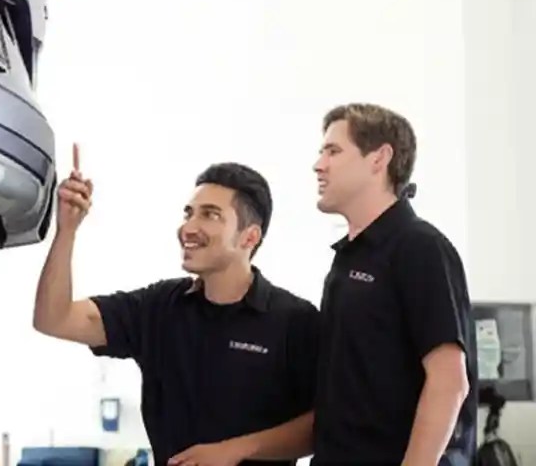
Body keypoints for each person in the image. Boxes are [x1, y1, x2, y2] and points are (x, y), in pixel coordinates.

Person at [32, 145, 320, 466]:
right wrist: (67, 231)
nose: (188, 228)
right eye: (189, 213)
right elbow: (53, 319)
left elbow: (321, 425)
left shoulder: (296, 320)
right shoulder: (158, 308)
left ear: (249, 237)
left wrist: (235, 450)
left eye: (210, 215)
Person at [311, 103, 477, 466]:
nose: (319, 164)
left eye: (333, 151)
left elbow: (449, 381)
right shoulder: (349, 258)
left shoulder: (419, 247)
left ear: (379, 158)